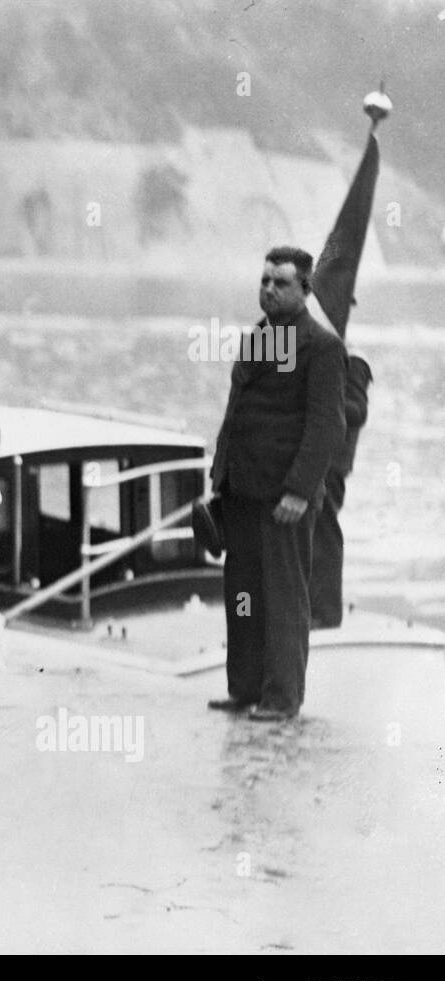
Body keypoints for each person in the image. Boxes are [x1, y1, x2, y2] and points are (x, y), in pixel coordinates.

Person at [207, 246, 345, 722]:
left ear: (305, 289)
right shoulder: (257, 339)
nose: (268, 289)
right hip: (242, 491)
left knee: (285, 598)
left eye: (280, 282)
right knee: (242, 594)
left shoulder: (322, 347)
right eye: (264, 280)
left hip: (284, 498)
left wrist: (300, 491)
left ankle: (282, 697)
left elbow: (327, 425)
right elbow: (237, 414)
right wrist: (219, 478)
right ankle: (244, 687)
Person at [310, 350, 372, 629]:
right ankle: (313, 609)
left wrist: (315, 398)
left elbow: (357, 411)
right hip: (309, 460)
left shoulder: (354, 361)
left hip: (330, 465)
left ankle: (326, 613)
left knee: (324, 534)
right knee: (309, 536)